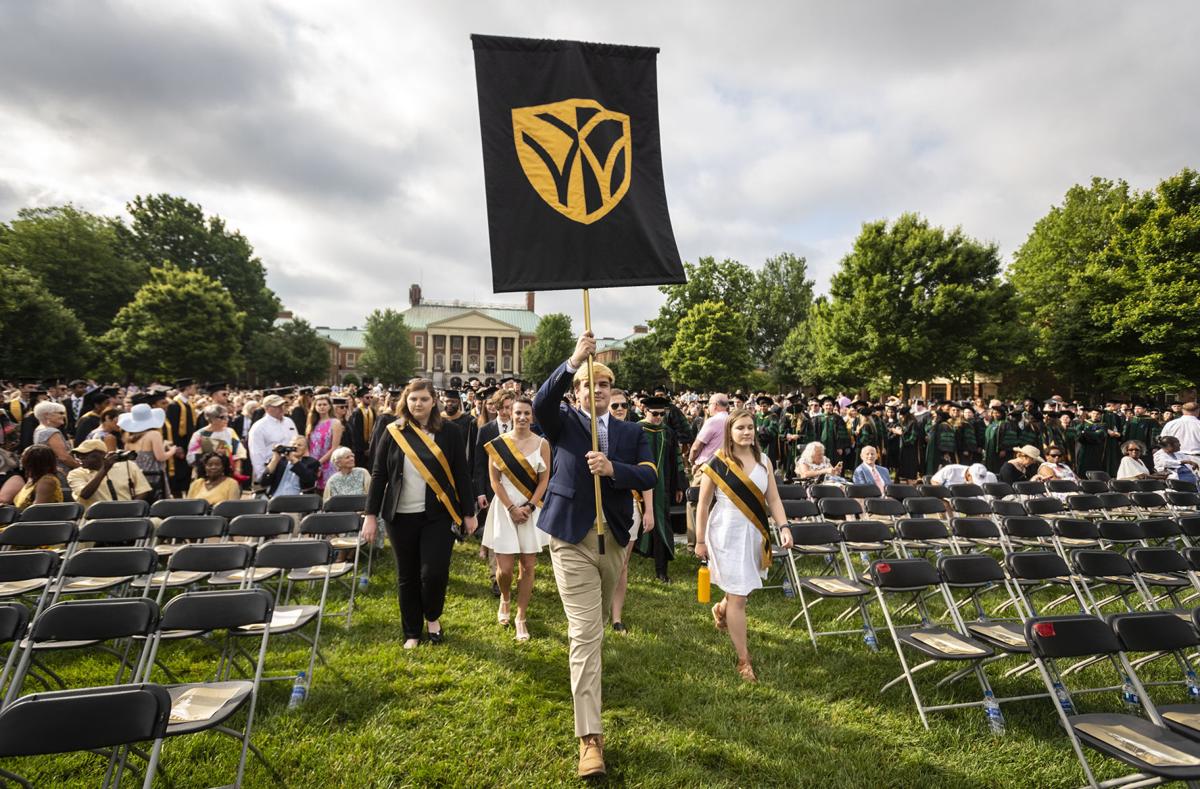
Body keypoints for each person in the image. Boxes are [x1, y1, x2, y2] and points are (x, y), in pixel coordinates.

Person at [532, 333, 656, 778]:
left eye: (604, 385)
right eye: (588, 385)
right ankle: (590, 740)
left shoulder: (630, 431)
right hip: (569, 535)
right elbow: (540, 404)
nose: (597, 391)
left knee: (595, 629)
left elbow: (649, 474)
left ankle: (591, 683)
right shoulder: (562, 421)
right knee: (584, 634)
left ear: (613, 393)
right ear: (578, 392)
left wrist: (614, 470)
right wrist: (573, 360)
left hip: (615, 539)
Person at [363, 379, 476, 650]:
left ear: (433, 401)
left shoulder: (449, 432)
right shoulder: (392, 430)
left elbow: (461, 472)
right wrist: (370, 515)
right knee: (407, 575)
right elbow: (379, 475)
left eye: (424, 399)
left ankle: (433, 617)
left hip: (437, 515)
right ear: (405, 400)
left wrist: (469, 512)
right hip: (399, 516)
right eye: (413, 399)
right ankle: (412, 631)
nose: (418, 404)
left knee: (433, 573)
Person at [695, 408, 794, 684]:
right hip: (725, 534)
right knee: (740, 597)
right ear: (730, 432)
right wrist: (700, 540)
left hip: (754, 535)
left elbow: (773, 500)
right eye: (740, 428)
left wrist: (784, 527)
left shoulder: (764, 462)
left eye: (750, 427)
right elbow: (703, 504)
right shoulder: (718, 462)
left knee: (742, 590)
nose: (747, 432)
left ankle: (722, 608)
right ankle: (743, 660)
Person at [481, 396, 551, 643]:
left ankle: (521, 615)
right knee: (505, 569)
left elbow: (544, 480)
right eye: (518, 413)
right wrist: (511, 507)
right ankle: (505, 597)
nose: (522, 417)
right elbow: (494, 481)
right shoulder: (498, 444)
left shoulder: (542, 444)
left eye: (526, 414)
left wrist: (531, 506)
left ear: (532, 417)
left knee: (528, 566)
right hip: (505, 508)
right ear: (510, 414)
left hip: (531, 509)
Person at [634, 396, 687, 584]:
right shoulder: (636, 429)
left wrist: (679, 485)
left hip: (662, 488)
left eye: (661, 414)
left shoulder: (668, 432)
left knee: (661, 525)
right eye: (654, 413)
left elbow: (676, 460)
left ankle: (661, 570)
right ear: (644, 411)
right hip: (636, 487)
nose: (658, 417)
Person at [67, 439, 152, 507]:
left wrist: (131, 508)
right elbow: (84, 494)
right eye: (78, 455)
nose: (80, 458)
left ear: (102, 455)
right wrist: (104, 469)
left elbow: (143, 490)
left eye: (85, 455)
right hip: (94, 519)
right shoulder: (75, 474)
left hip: (127, 516)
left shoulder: (128, 465)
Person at [119, 402, 175, 502]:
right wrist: (172, 451)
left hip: (136, 479)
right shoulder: (154, 434)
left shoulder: (128, 438)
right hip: (154, 478)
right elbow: (160, 457)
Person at [247, 394, 299, 486]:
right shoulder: (259, 427)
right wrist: (263, 476)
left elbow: (297, 442)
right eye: (277, 406)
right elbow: (256, 454)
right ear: (267, 408)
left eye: (282, 405)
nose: (281, 408)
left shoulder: (289, 421)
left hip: (292, 466)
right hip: (273, 467)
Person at [186, 404, 246, 479]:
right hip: (205, 475)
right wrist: (213, 454)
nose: (227, 419)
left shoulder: (230, 432)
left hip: (228, 474)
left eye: (227, 416)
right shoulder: (199, 435)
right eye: (222, 417)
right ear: (211, 419)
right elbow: (191, 457)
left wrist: (237, 470)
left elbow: (239, 453)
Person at [165, 379, 199, 498]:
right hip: (179, 446)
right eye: (193, 387)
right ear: (187, 388)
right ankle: (178, 500)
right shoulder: (174, 405)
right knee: (178, 475)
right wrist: (176, 446)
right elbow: (172, 428)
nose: (195, 389)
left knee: (187, 475)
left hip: (188, 445)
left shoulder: (189, 404)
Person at [306, 395, 344, 492]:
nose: (322, 407)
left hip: (328, 463)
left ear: (329, 406)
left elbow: (334, 447)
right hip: (312, 463)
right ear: (315, 407)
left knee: (328, 492)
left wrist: (318, 463)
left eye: (324, 404)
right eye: (319, 405)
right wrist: (311, 463)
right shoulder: (312, 423)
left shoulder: (335, 423)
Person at [31, 400, 78, 475]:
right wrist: (80, 467)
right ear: (47, 415)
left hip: (48, 471)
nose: (64, 416)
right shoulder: (51, 432)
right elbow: (63, 457)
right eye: (60, 413)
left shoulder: (39, 429)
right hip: (60, 473)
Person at [13, 445, 63, 510]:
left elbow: (37, 511)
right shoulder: (32, 479)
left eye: (23, 456)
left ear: (33, 461)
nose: (20, 458)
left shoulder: (47, 481)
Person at [1161, 402, 1200, 467]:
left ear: (1182, 410)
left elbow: (1162, 441)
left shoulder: (1170, 424)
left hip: (1175, 458)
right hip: (1196, 458)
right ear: (1198, 410)